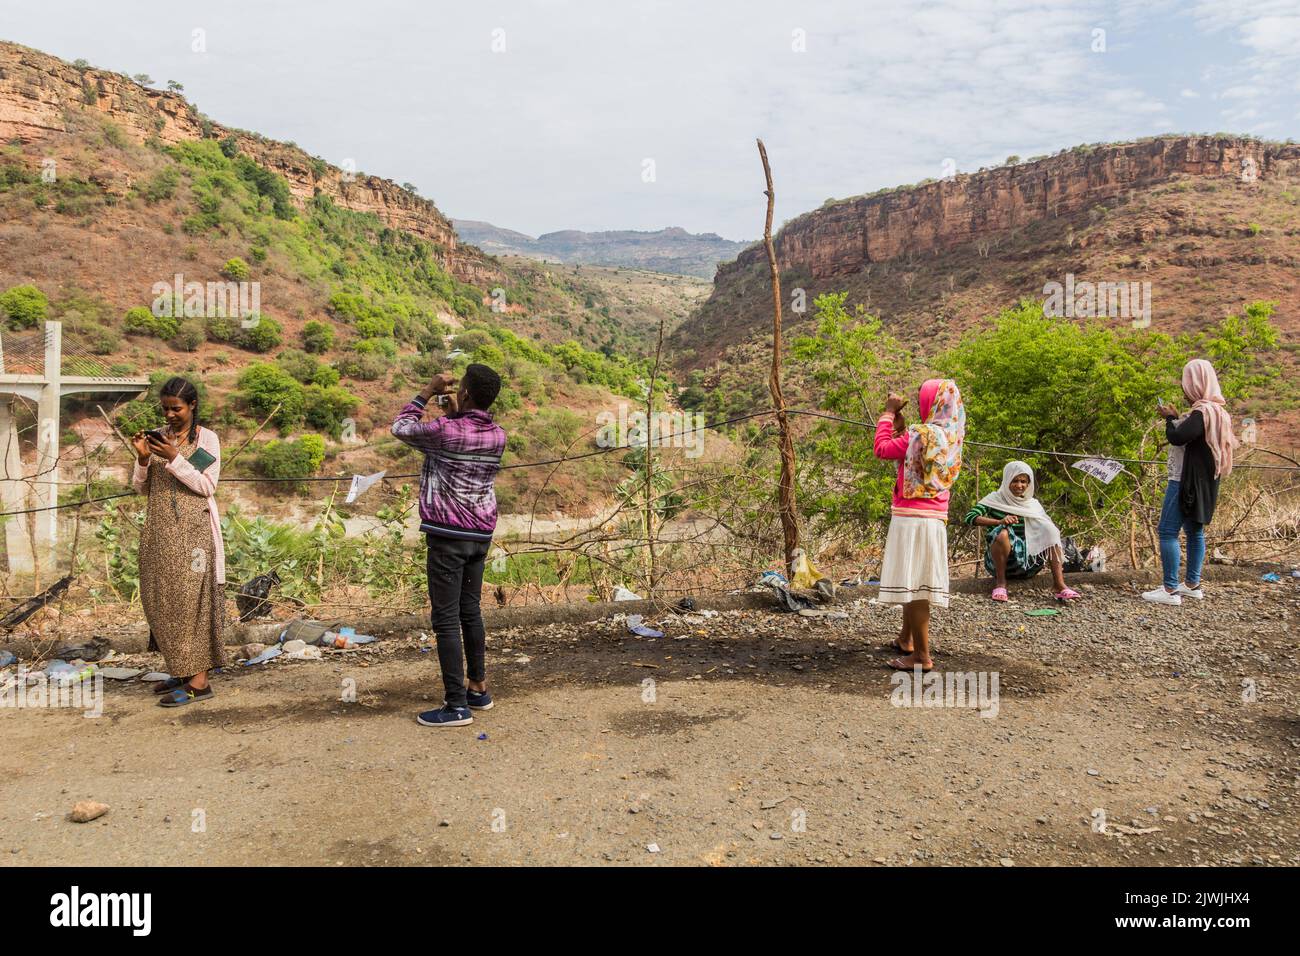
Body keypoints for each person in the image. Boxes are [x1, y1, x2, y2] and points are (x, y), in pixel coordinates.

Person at [392, 364, 506, 727]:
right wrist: (457, 410)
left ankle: (456, 705)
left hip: (448, 534)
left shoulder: (446, 430)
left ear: (467, 393)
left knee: (445, 620)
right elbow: (465, 433)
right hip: (480, 535)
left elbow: (402, 428)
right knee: (469, 611)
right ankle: (478, 689)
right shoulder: (498, 435)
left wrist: (427, 391)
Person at [130, 377, 226, 707]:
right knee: (162, 599)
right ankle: (183, 670)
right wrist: (143, 459)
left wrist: (173, 457)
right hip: (159, 533)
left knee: (191, 603)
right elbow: (140, 487)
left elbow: (206, 486)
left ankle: (200, 683)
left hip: (193, 534)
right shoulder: (160, 436)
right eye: (166, 408)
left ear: (193, 406)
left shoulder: (206, 440)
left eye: (177, 409)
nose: (170, 415)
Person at [875, 378, 965, 673]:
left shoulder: (921, 434)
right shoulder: (951, 435)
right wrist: (903, 428)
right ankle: (906, 639)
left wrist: (887, 415)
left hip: (911, 519)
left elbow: (883, 449)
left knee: (915, 589)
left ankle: (922, 657)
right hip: (935, 519)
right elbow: (912, 456)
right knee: (915, 580)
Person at [1143, 358, 1236, 606]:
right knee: (1195, 531)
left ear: (1196, 383)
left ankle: (1170, 589)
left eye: (1186, 384)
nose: (1185, 390)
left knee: (1167, 531)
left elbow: (1178, 437)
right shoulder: (1220, 412)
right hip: (1207, 481)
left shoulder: (1201, 412)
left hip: (1185, 481)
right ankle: (1192, 584)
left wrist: (1170, 418)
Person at [964, 460, 1082, 602]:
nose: (1019, 485)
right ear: (1007, 480)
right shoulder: (995, 499)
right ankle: (1001, 584)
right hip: (1002, 565)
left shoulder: (1032, 504)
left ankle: (1059, 584)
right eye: (1014, 481)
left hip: (1029, 564)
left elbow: (1047, 532)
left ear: (1028, 484)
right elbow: (970, 517)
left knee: (1051, 530)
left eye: (1023, 481)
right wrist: (999, 522)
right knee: (1002, 533)